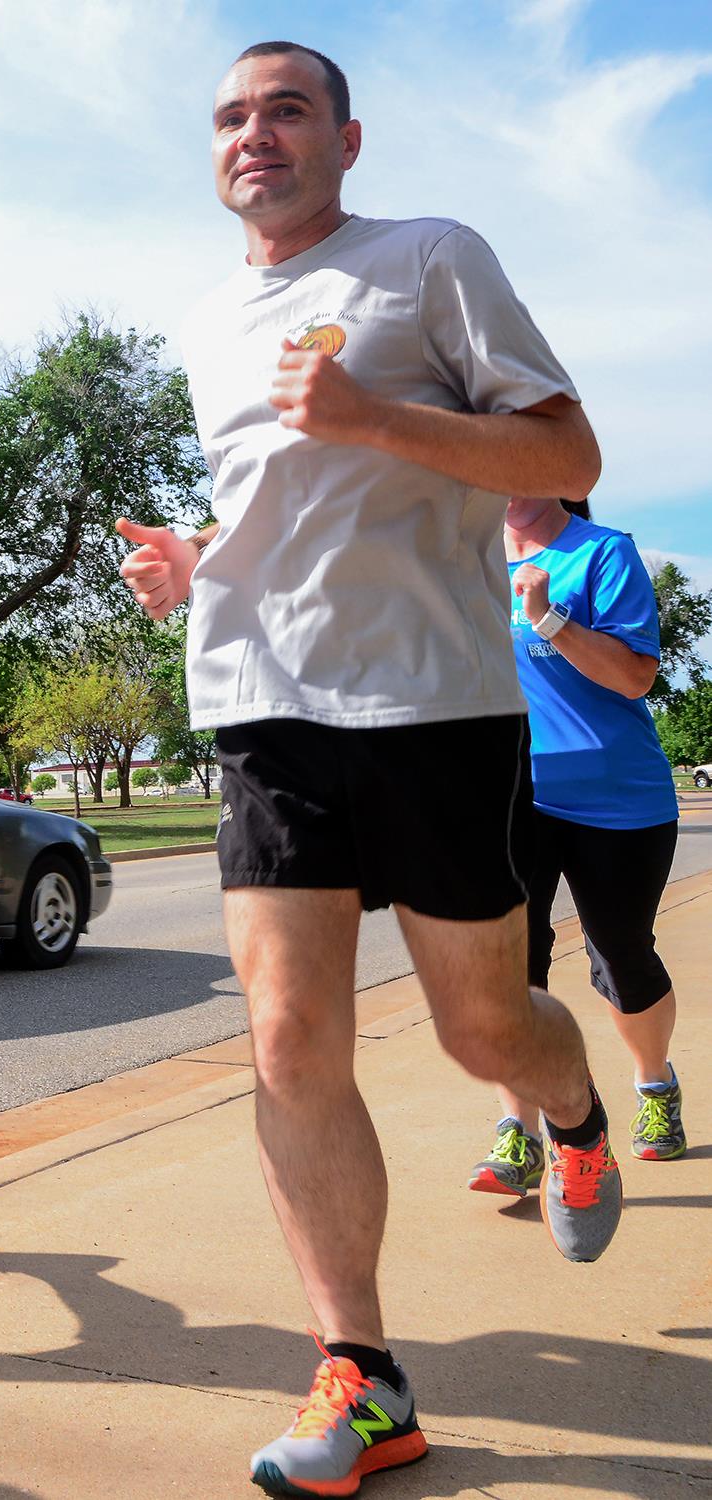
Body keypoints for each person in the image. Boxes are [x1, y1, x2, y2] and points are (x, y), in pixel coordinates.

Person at [115, 43, 620, 1499]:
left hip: (438, 705)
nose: (253, 135)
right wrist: (197, 564)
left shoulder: (429, 259)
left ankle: (572, 1116)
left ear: (346, 136)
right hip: (265, 708)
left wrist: (376, 417)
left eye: (283, 111)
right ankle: (365, 1376)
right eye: (229, 116)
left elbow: (567, 442)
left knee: (481, 1031)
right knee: (286, 1044)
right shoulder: (213, 320)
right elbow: (294, 504)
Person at [467, 496, 684, 1196]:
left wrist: (550, 620)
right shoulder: (463, 557)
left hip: (615, 797)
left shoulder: (600, 552)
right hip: (513, 795)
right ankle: (520, 1134)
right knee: (508, 967)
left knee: (621, 955)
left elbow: (634, 677)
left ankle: (655, 1087)